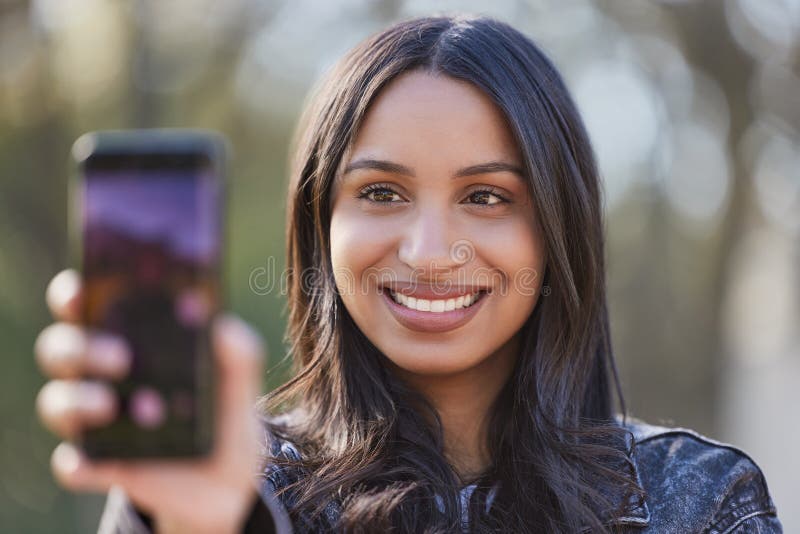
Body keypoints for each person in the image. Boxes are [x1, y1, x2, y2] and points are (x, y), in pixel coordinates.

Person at [34, 14, 782, 534]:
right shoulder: (230, 484)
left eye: (486, 196)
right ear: (319, 224)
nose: (428, 252)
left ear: (560, 229)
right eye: (381, 193)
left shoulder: (697, 500)